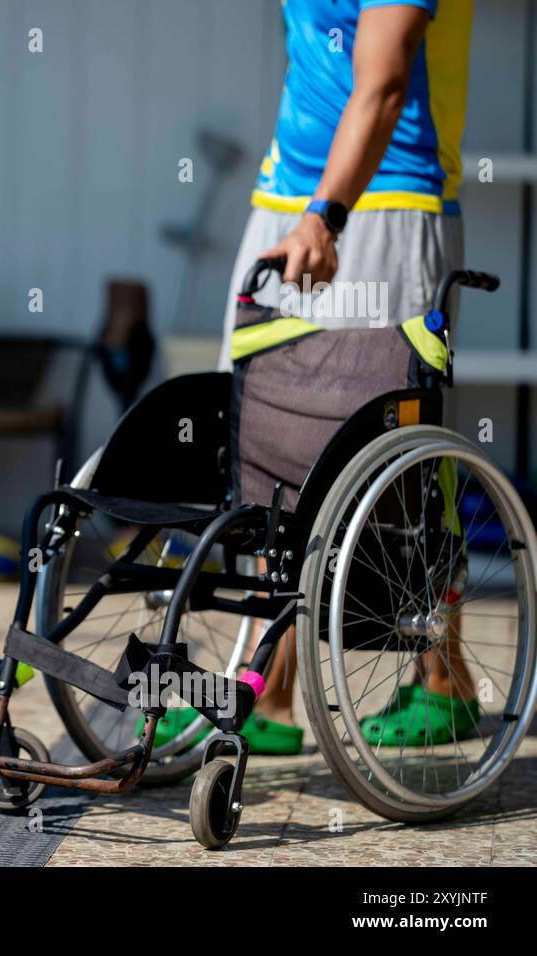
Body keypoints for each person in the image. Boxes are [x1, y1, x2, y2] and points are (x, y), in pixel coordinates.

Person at [206, 0, 476, 754]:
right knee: (270, 447)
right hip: (287, 194)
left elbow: (385, 84)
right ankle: (268, 689)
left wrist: (325, 216)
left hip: (384, 200)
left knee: (393, 458)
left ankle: (444, 678)